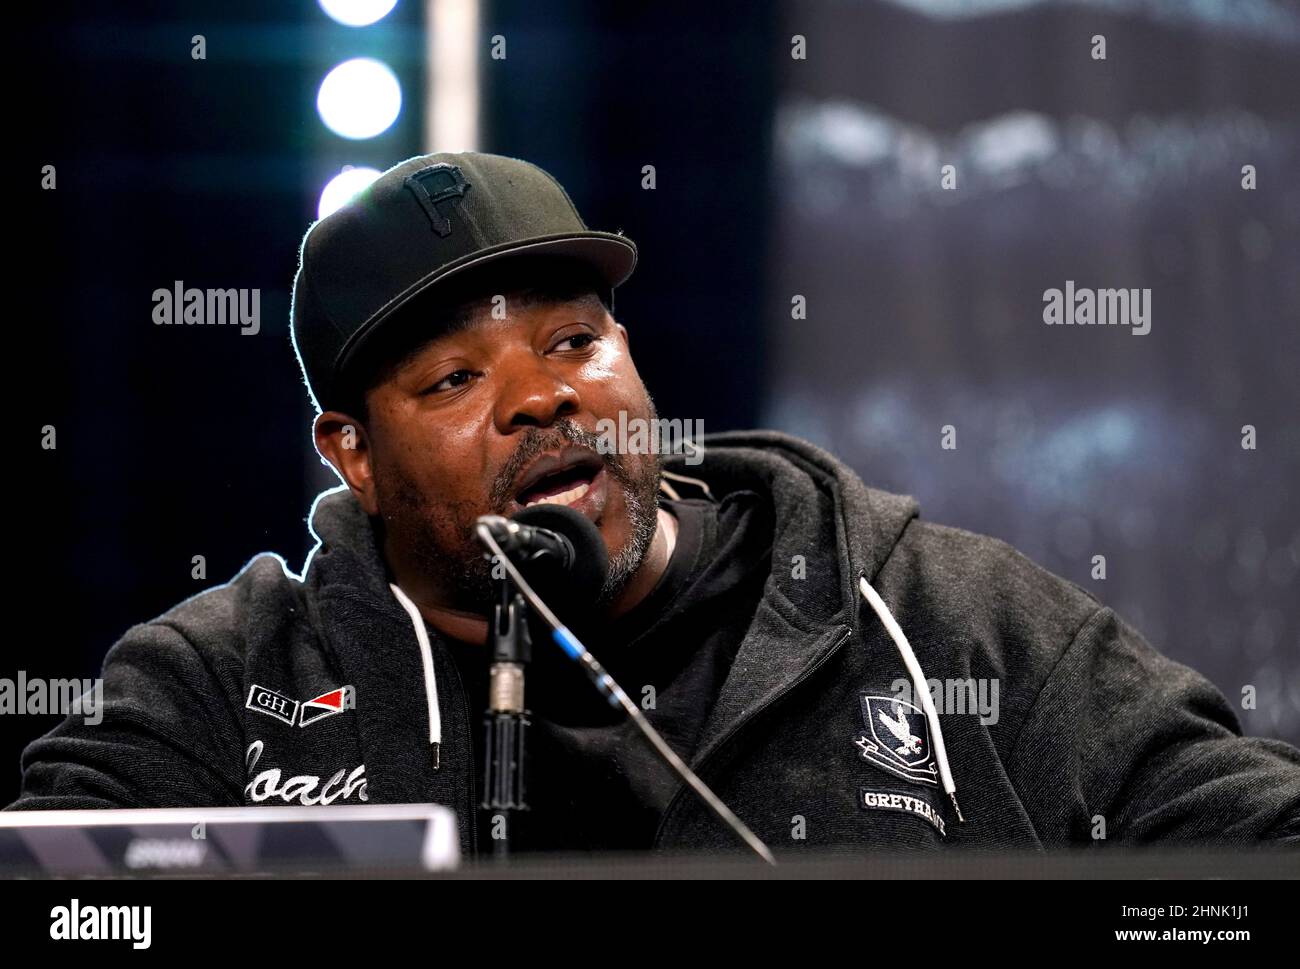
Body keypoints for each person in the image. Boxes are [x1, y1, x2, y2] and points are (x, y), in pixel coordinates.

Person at [7, 151, 1297, 854]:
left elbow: (1239, 831)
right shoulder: (225, 683)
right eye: (458, 379)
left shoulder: (934, 618)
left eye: (574, 344)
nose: (541, 401)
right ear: (349, 451)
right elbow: (58, 886)